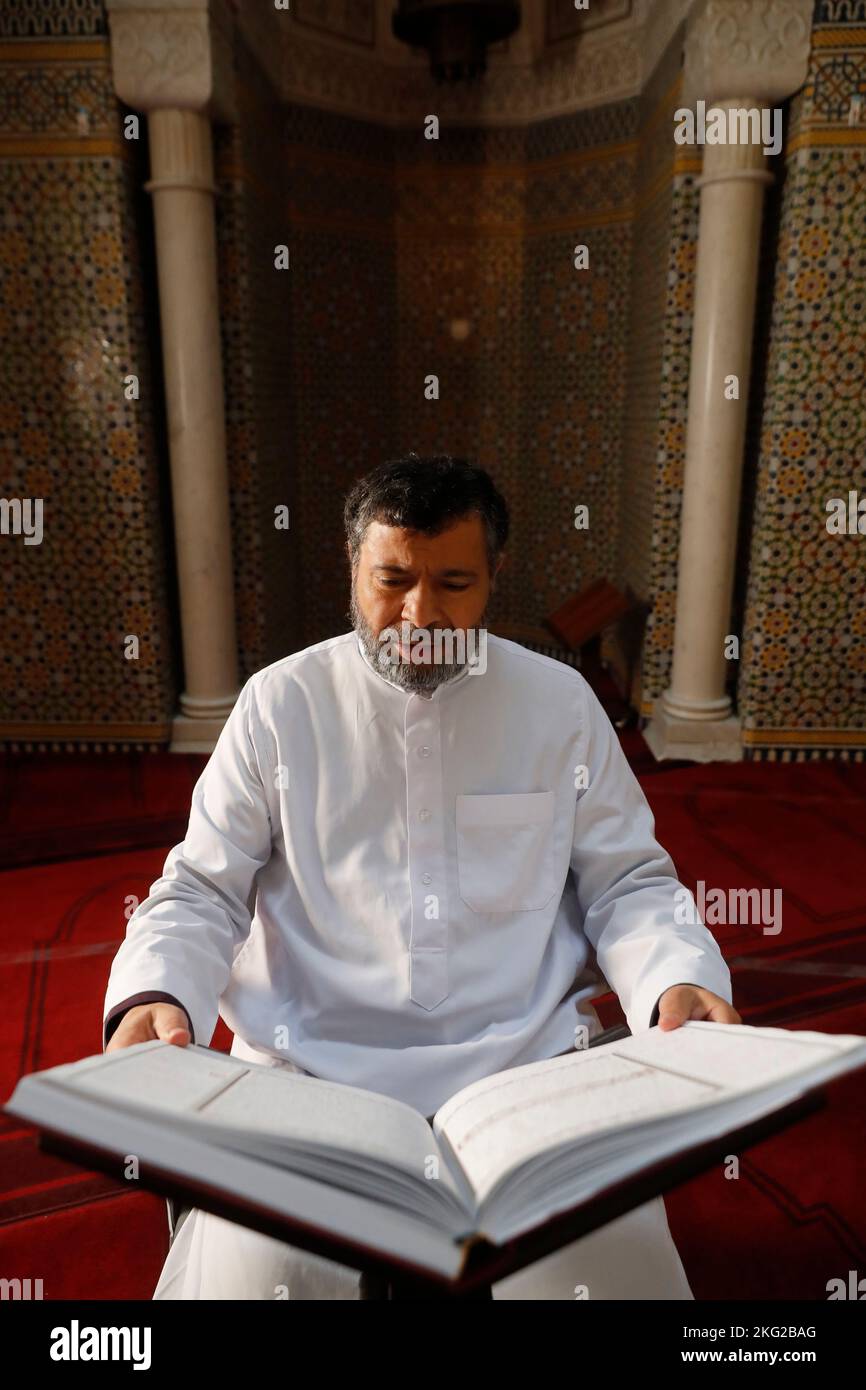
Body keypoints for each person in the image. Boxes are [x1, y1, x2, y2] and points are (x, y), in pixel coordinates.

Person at [103, 454, 740, 1300]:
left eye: (454, 583)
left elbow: (628, 884)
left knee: (600, 1267)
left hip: (526, 1065)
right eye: (392, 579)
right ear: (351, 569)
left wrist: (675, 978)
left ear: (495, 578)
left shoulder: (560, 706)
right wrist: (157, 993)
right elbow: (202, 889)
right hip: (309, 1072)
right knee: (265, 1275)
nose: (420, 614)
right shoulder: (277, 706)